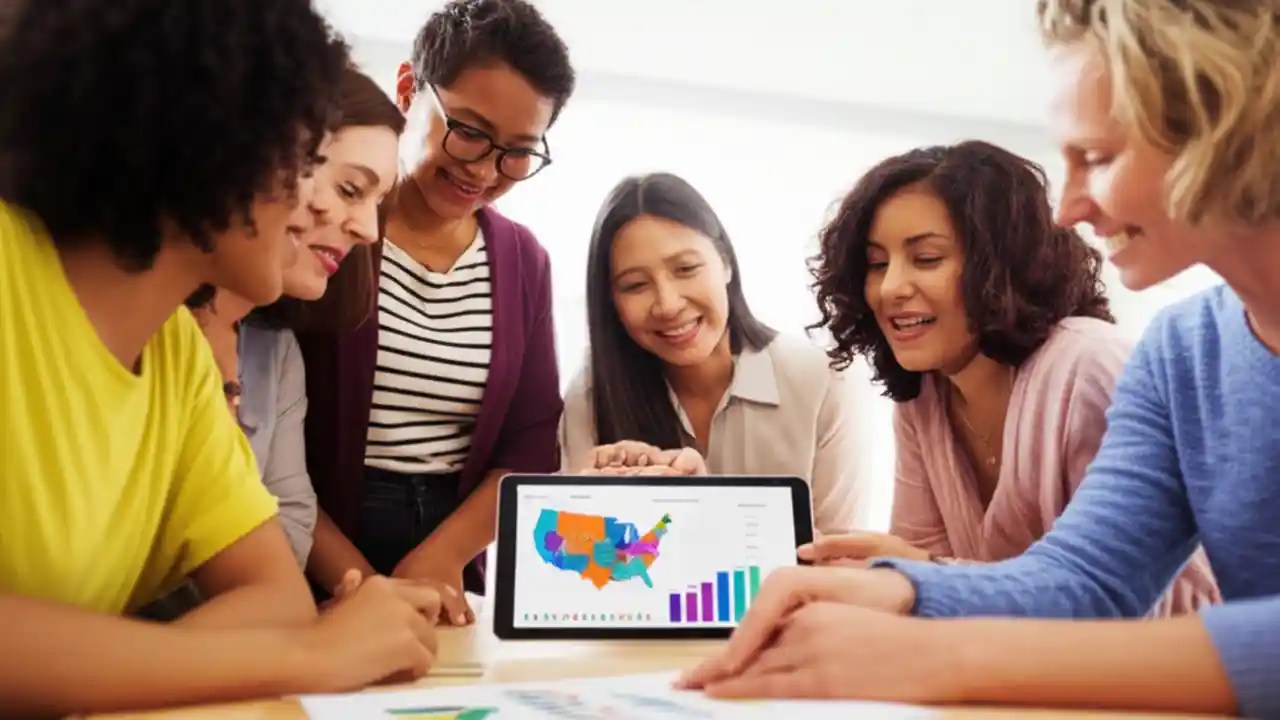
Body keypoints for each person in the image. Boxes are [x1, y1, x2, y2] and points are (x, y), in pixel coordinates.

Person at [679, 0, 1280, 716]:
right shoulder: (1181, 354)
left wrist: (938, 653)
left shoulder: (1096, 360)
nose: (1067, 209)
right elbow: (1088, 581)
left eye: (1099, 158)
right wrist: (899, 585)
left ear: (1227, 130)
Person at [0, 2, 438, 715]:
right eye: (303, 160)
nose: (306, 199)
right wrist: (309, 657)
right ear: (221, 135)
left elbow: (275, 598)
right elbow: (290, 635)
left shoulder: (176, 357)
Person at [796, 141, 1217, 614]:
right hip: (1025, 677)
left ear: (999, 266)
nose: (891, 287)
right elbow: (919, 580)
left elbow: (1141, 601)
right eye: (877, 264)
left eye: (927, 258)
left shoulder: (1090, 366)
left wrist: (924, 573)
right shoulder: (925, 395)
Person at [298, 0, 576, 626]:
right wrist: (361, 583)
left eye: (518, 152)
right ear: (408, 90)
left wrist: (440, 557)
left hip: (447, 557)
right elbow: (267, 448)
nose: (483, 169)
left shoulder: (524, 261)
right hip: (310, 546)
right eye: (470, 130)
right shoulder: (329, 230)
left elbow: (529, 447)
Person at [559, 172, 872, 535]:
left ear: (725, 262)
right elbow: (588, 560)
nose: (668, 304)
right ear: (610, 302)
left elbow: (841, 558)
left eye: (686, 269)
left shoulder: (821, 380)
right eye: (635, 285)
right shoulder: (592, 395)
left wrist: (704, 505)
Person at [191, 66, 403, 568]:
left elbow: (288, 532)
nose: (369, 230)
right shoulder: (145, 324)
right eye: (351, 189)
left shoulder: (275, 348)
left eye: (379, 201)